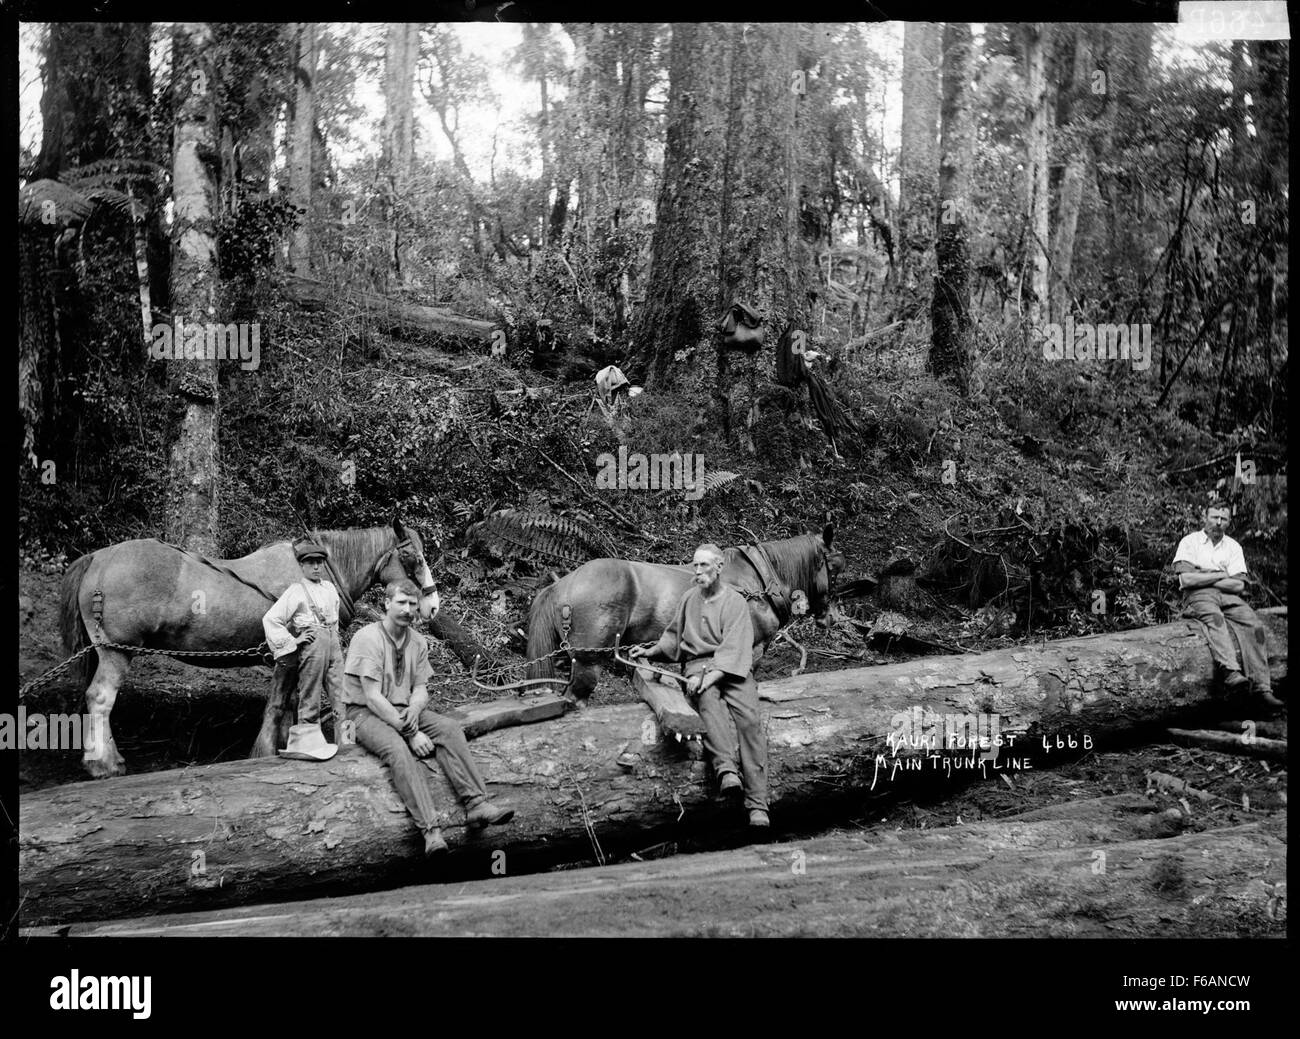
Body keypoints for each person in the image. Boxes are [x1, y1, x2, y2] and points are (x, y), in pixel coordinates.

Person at [343, 578, 515, 856]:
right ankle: (431, 830)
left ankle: (476, 804)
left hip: (401, 709)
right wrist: (410, 733)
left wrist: (413, 710)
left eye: (413, 604)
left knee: (448, 729)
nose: (407, 610)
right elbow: (372, 697)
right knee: (397, 750)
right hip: (362, 713)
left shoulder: (418, 642)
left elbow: (421, 689)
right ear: (387, 604)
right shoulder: (368, 637)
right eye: (401, 603)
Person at [630, 543, 771, 828]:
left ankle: (758, 805)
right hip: (697, 665)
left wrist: (710, 675)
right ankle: (727, 770)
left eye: (704, 565)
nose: (697, 571)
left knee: (750, 720)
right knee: (706, 700)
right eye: (695, 566)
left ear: (719, 567)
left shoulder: (735, 602)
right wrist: (651, 652)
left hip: (733, 669)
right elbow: (673, 638)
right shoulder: (688, 599)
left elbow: (734, 650)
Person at [1172, 500, 1282, 711]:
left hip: (1229, 597)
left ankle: (1262, 687)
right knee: (1216, 619)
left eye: (1223, 519)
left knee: (1255, 625)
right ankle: (1231, 673)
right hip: (1199, 596)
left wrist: (1205, 574)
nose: (1218, 523)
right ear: (1205, 517)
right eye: (1214, 517)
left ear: (1229, 522)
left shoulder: (1233, 546)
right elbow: (1186, 581)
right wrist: (1221, 574)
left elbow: (1238, 585)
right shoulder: (1190, 542)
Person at [261, 541, 344, 761]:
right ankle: (309, 749)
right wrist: (294, 641)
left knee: (342, 696)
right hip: (313, 644)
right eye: (311, 563)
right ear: (302, 566)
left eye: (319, 562)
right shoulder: (295, 591)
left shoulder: (330, 588)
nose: (316, 567)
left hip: (333, 643)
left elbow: (334, 617)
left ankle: (348, 745)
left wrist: (334, 640)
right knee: (310, 697)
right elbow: (271, 619)